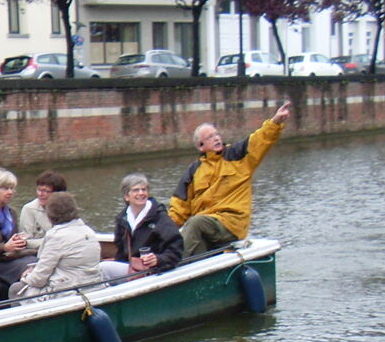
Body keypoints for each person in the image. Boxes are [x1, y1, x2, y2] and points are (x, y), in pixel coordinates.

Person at [169, 101, 292, 257]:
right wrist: (163, 234)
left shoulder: (237, 155)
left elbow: (260, 140)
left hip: (230, 222)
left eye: (217, 134)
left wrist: (275, 122)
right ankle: (180, 272)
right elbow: (179, 208)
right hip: (206, 226)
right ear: (201, 146)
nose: (216, 138)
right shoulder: (193, 171)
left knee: (195, 223)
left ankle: (170, 265)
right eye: (210, 137)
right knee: (190, 243)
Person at [10, 192, 101, 299]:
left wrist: (26, 277)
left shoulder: (55, 237)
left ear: (51, 214)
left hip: (67, 292)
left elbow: (38, 280)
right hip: (94, 286)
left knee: (15, 289)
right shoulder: (89, 231)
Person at [97, 174, 183, 281]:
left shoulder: (160, 217)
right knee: (99, 268)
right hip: (132, 270)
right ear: (126, 196)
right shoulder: (122, 220)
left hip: (153, 271)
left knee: (103, 268)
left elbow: (176, 248)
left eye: (144, 189)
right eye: (136, 190)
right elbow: (121, 252)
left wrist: (158, 259)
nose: (141, 193)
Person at [18, 170, 67, 250]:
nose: (40, 194)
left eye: (46, 191)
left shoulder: (67, 209)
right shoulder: (29, 209)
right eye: (39, 190)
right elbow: (25, 240)